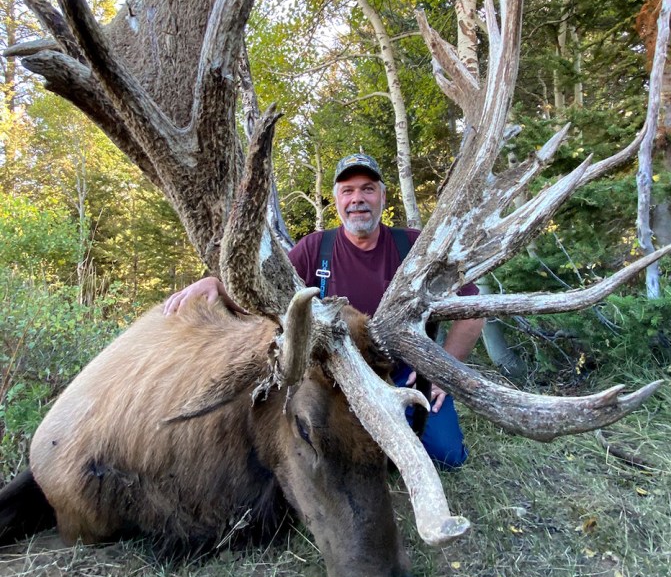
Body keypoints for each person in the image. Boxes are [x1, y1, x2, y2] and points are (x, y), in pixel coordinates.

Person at [165, 152, 484, 467]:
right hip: (334, 379)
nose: (357, 198)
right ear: (337, 201)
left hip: (405, 374)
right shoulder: (316, 248)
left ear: (382, 197)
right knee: (325, 455)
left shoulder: (414, 246)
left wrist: (442, 372)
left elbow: (472, 308)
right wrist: (218, 286)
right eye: (348, 190)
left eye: (367, 189)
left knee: (448, 455)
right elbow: (264, 295)